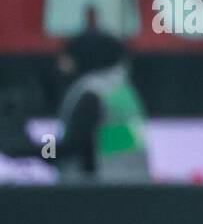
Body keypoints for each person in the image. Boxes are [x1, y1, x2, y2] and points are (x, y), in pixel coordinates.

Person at [0, 28, 150, 183]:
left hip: (99, 189)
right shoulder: (121, 89)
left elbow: (72, 146)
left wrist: (29, 149)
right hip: (133, 182)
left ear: (83, 57)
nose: (61, 64)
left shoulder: (92, 94)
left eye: (67, 56)